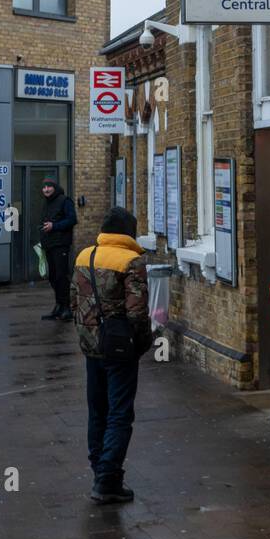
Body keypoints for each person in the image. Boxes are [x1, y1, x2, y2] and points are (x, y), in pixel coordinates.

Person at [69, 207, 151, 505]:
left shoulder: (84, 256)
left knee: (97, 409)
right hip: (120, 349)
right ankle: (108, 478)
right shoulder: (131, 260)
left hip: (91, 347)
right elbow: (138, 312)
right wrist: (140, 345)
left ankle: (98, 471)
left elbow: (73, 301)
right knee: (120, 412)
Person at [38, 177, 78, 322]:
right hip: (48, 244)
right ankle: (59, 305)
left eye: (49, 187)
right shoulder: (46, 203)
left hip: (60, 244)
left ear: (54, 187)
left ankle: (67, 307)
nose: (46, 189)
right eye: (44, 187)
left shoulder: (64, 201)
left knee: (62, 276)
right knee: (53, 277)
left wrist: (54, 226)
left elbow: (72, 219)